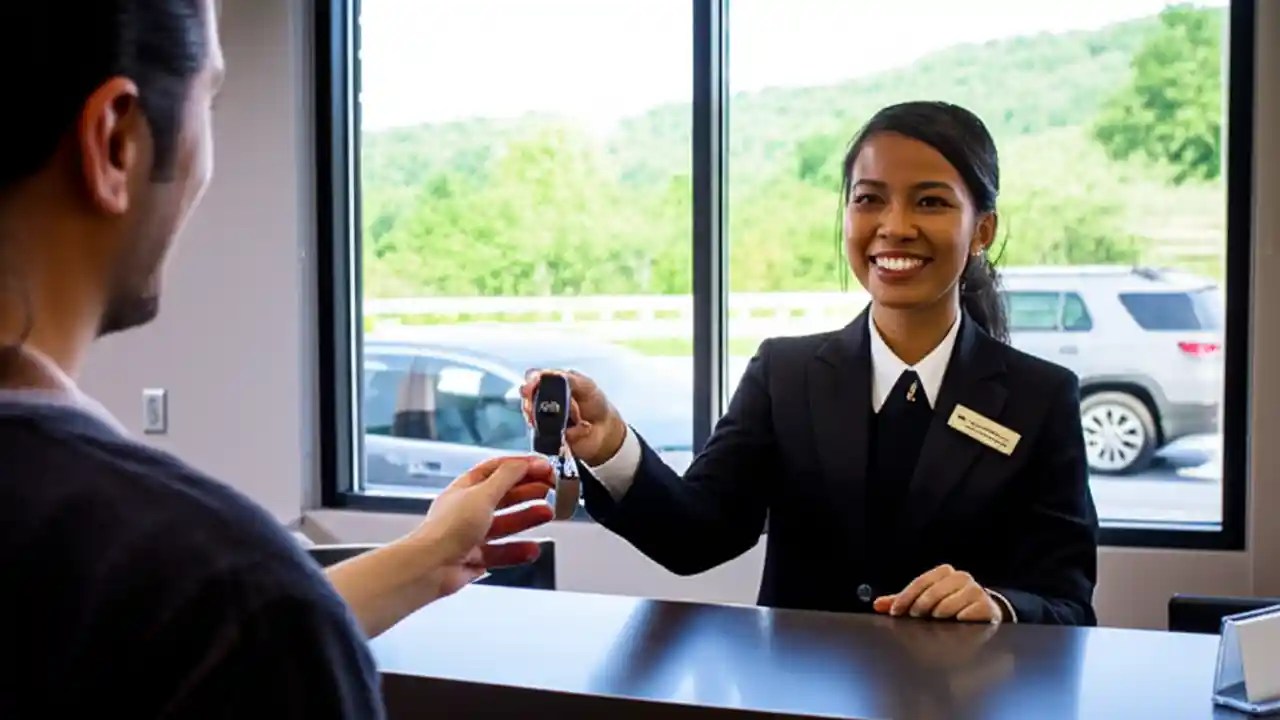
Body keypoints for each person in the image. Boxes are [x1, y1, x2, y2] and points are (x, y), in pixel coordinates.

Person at [0, 1, 553, 717]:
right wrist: (278, 609)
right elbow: (227, 629)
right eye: (213, 103)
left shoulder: (205, 601)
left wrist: (428, 557)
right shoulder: (222, 593)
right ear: (117, 143)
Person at [523, 100, 1100, 626]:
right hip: (797, 700)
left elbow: (1068, 602)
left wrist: (998, 605)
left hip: (961, 701)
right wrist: (609, 444)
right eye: (869, 198)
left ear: (983, 230)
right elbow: (693, 538)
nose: (895, 226)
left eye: (930, 201)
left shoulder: (1039, 396)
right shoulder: (785, 375)